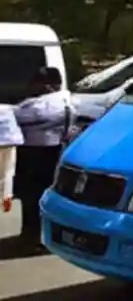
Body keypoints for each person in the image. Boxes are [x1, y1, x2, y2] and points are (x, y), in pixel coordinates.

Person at [13, 67, 71, 248]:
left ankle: (35, 237)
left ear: (48, 86)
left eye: (36, 83)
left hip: (40, 156)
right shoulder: (62, 101)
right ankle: (34, 235)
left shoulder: (48, 104)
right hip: (46, 154)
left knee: (34, 197)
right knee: (35, 197)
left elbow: (21, 115)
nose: (32, 87)